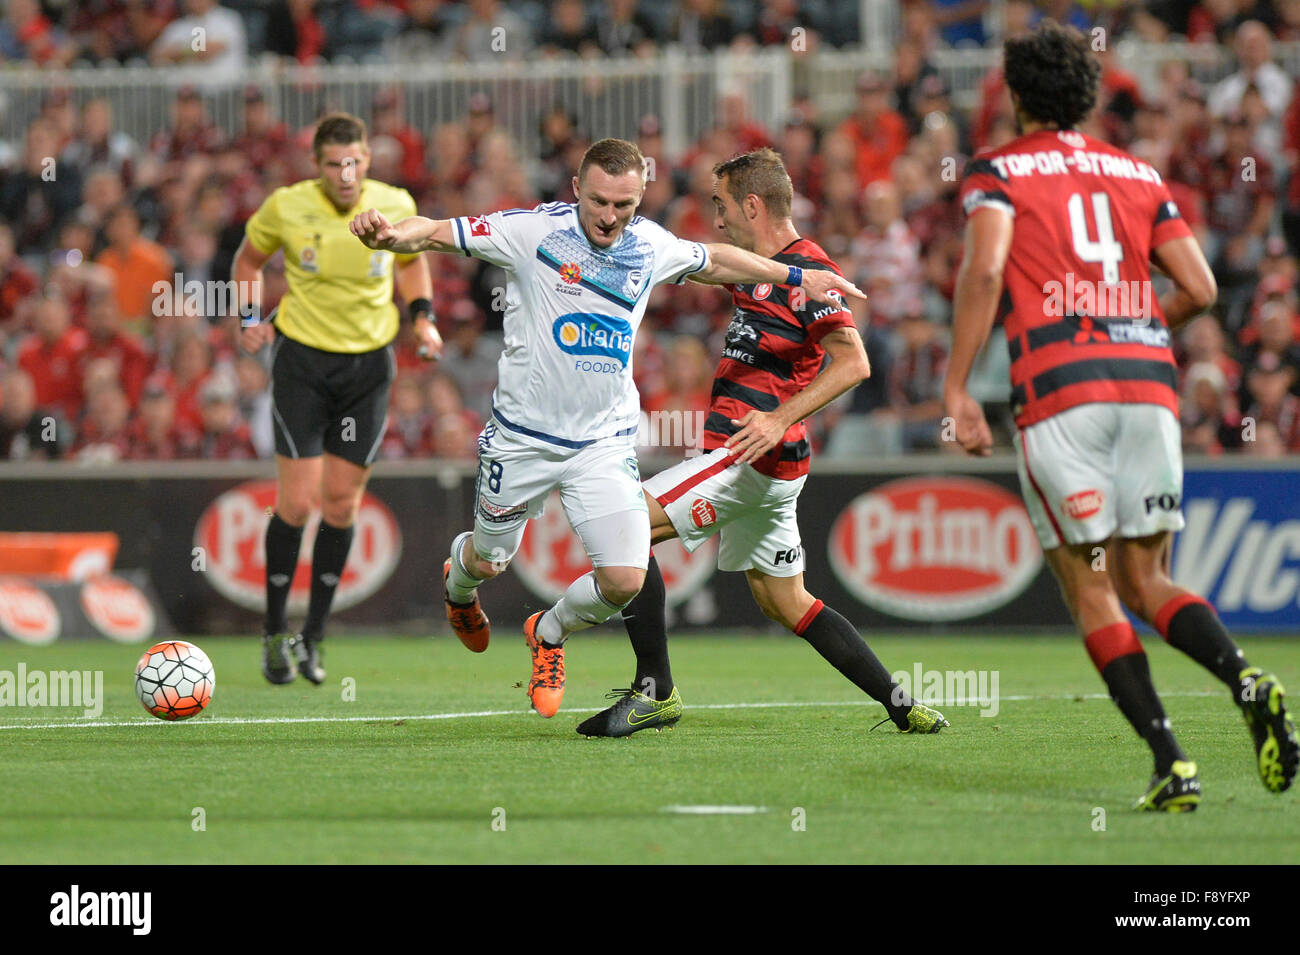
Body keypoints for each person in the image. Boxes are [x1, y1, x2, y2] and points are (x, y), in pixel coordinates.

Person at [350, 138, 863, 719]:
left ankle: (549, 634)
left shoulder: (650, 244)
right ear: (576, 190)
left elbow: (715, 261)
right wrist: (391, 235)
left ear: (639, 197)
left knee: (623, 576)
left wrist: (797, 277)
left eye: (624, 204)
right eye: (598, 201)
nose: (609, 216)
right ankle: (459, 588)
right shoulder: (530, 233)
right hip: (521, 438)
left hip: (604, 442)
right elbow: (437, 230)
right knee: (489, 560)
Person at [944, 21, 1297, 811]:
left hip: (1062, 391)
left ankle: (1172, 759)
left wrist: (959, 387)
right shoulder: (1136, 172)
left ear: (1016, 96)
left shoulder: (996, 169)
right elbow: (1201, 289)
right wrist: (1130, 326)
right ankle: (1245, 679)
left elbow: (986, 266)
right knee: (1150, 576)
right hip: (1149, 385)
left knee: (1094, 584)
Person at [579, 148, 949, 738]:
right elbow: (700, 264)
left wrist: (777, 417)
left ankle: (655, 691)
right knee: (786, 601)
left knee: (626, 525)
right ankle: (904, 705)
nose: (718, 219)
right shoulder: (763, 267)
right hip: (772, 468)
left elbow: (854, 364)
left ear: (752, 205)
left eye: (722, 206)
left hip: (748, 456)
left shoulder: (809, 271)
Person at [235, 112, 441, 685]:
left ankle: (315, 636)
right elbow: (249, 261)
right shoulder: (286, 205)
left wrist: (422, 321)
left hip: (368, 370)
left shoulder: (393, 200)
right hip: (302, 362)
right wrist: (251, 316)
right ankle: (275, 628)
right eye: (334, 164)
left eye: (354, 162)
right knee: (296, 504)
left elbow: (412, 264)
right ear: (317, 165)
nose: (345, 174)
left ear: (368, 161)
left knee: (343, 506)